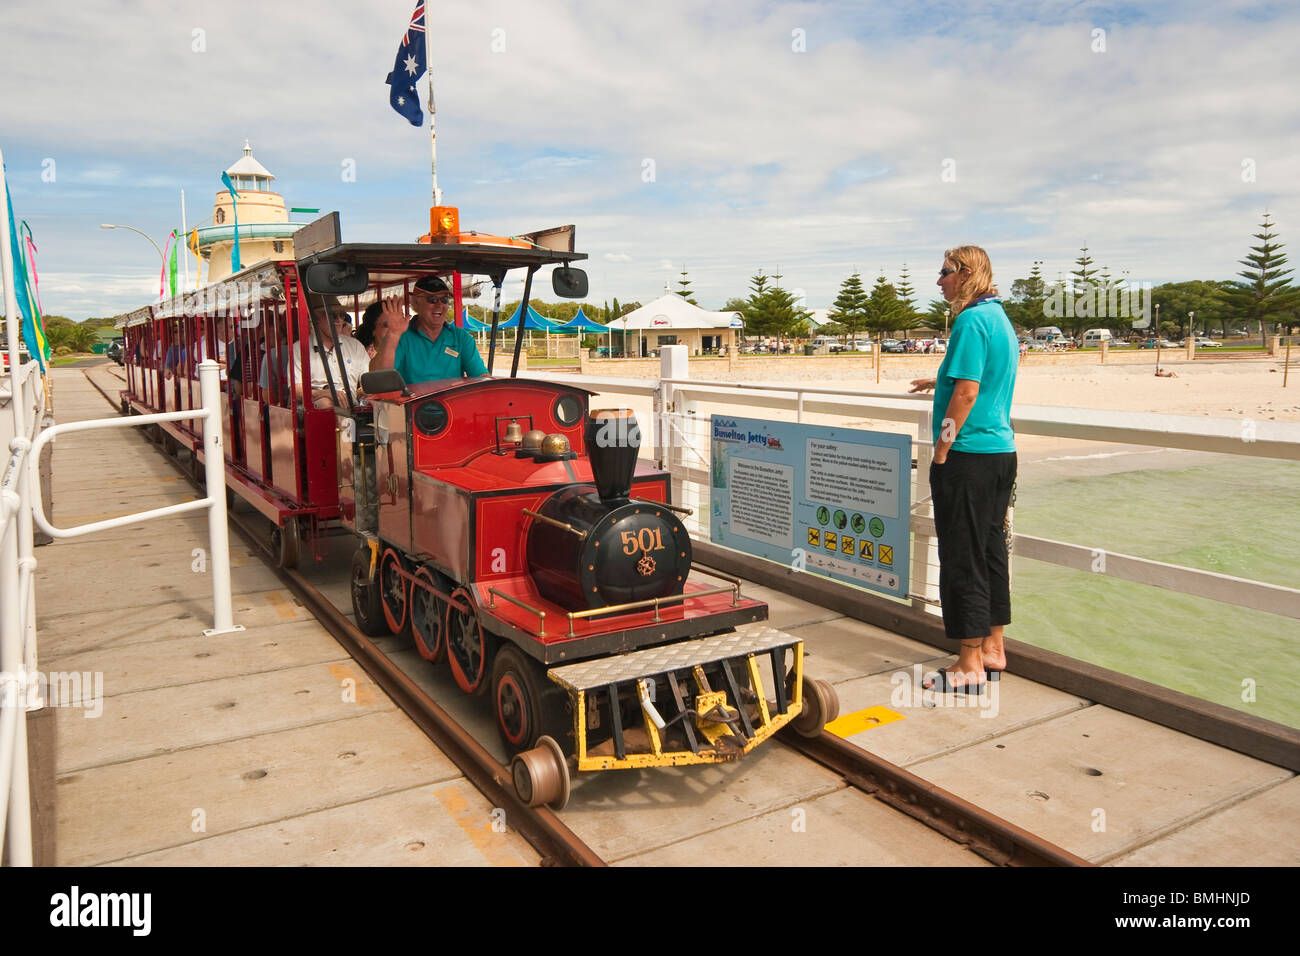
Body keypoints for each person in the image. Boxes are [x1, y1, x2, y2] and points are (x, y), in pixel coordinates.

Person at [908, 246, 1019, 694]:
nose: (940, 282)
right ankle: (993, 647)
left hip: (968, 457)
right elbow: (983, 376)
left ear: (967, 273)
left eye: (945, 273)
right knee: (990, 550)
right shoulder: (998, 317)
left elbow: (969, 393)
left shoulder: (972, 320)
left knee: (961, 555)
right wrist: (940, 380)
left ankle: (969, 663)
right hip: (1000, 454)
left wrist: (941, 447)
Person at [370, 275, 486, 382]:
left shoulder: (461, 337)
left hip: (450, 404)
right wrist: (393, 335)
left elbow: (481, 378)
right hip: (412, 404)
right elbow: (380, 378)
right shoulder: (400, 336)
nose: (439, 305)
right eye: (432, 300)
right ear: (415, 303)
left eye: (444, 300)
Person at [293, 298, 370, 409]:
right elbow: (296, 390)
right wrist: (326, 394)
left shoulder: (355, 346)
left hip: (351, 410)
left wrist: (368, 397)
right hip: (317, 413)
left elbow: (367, 381)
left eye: (342, 315)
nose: (339, 320)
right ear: (316, 318)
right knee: (326, 403)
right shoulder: (300, 348)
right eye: (332, 315)